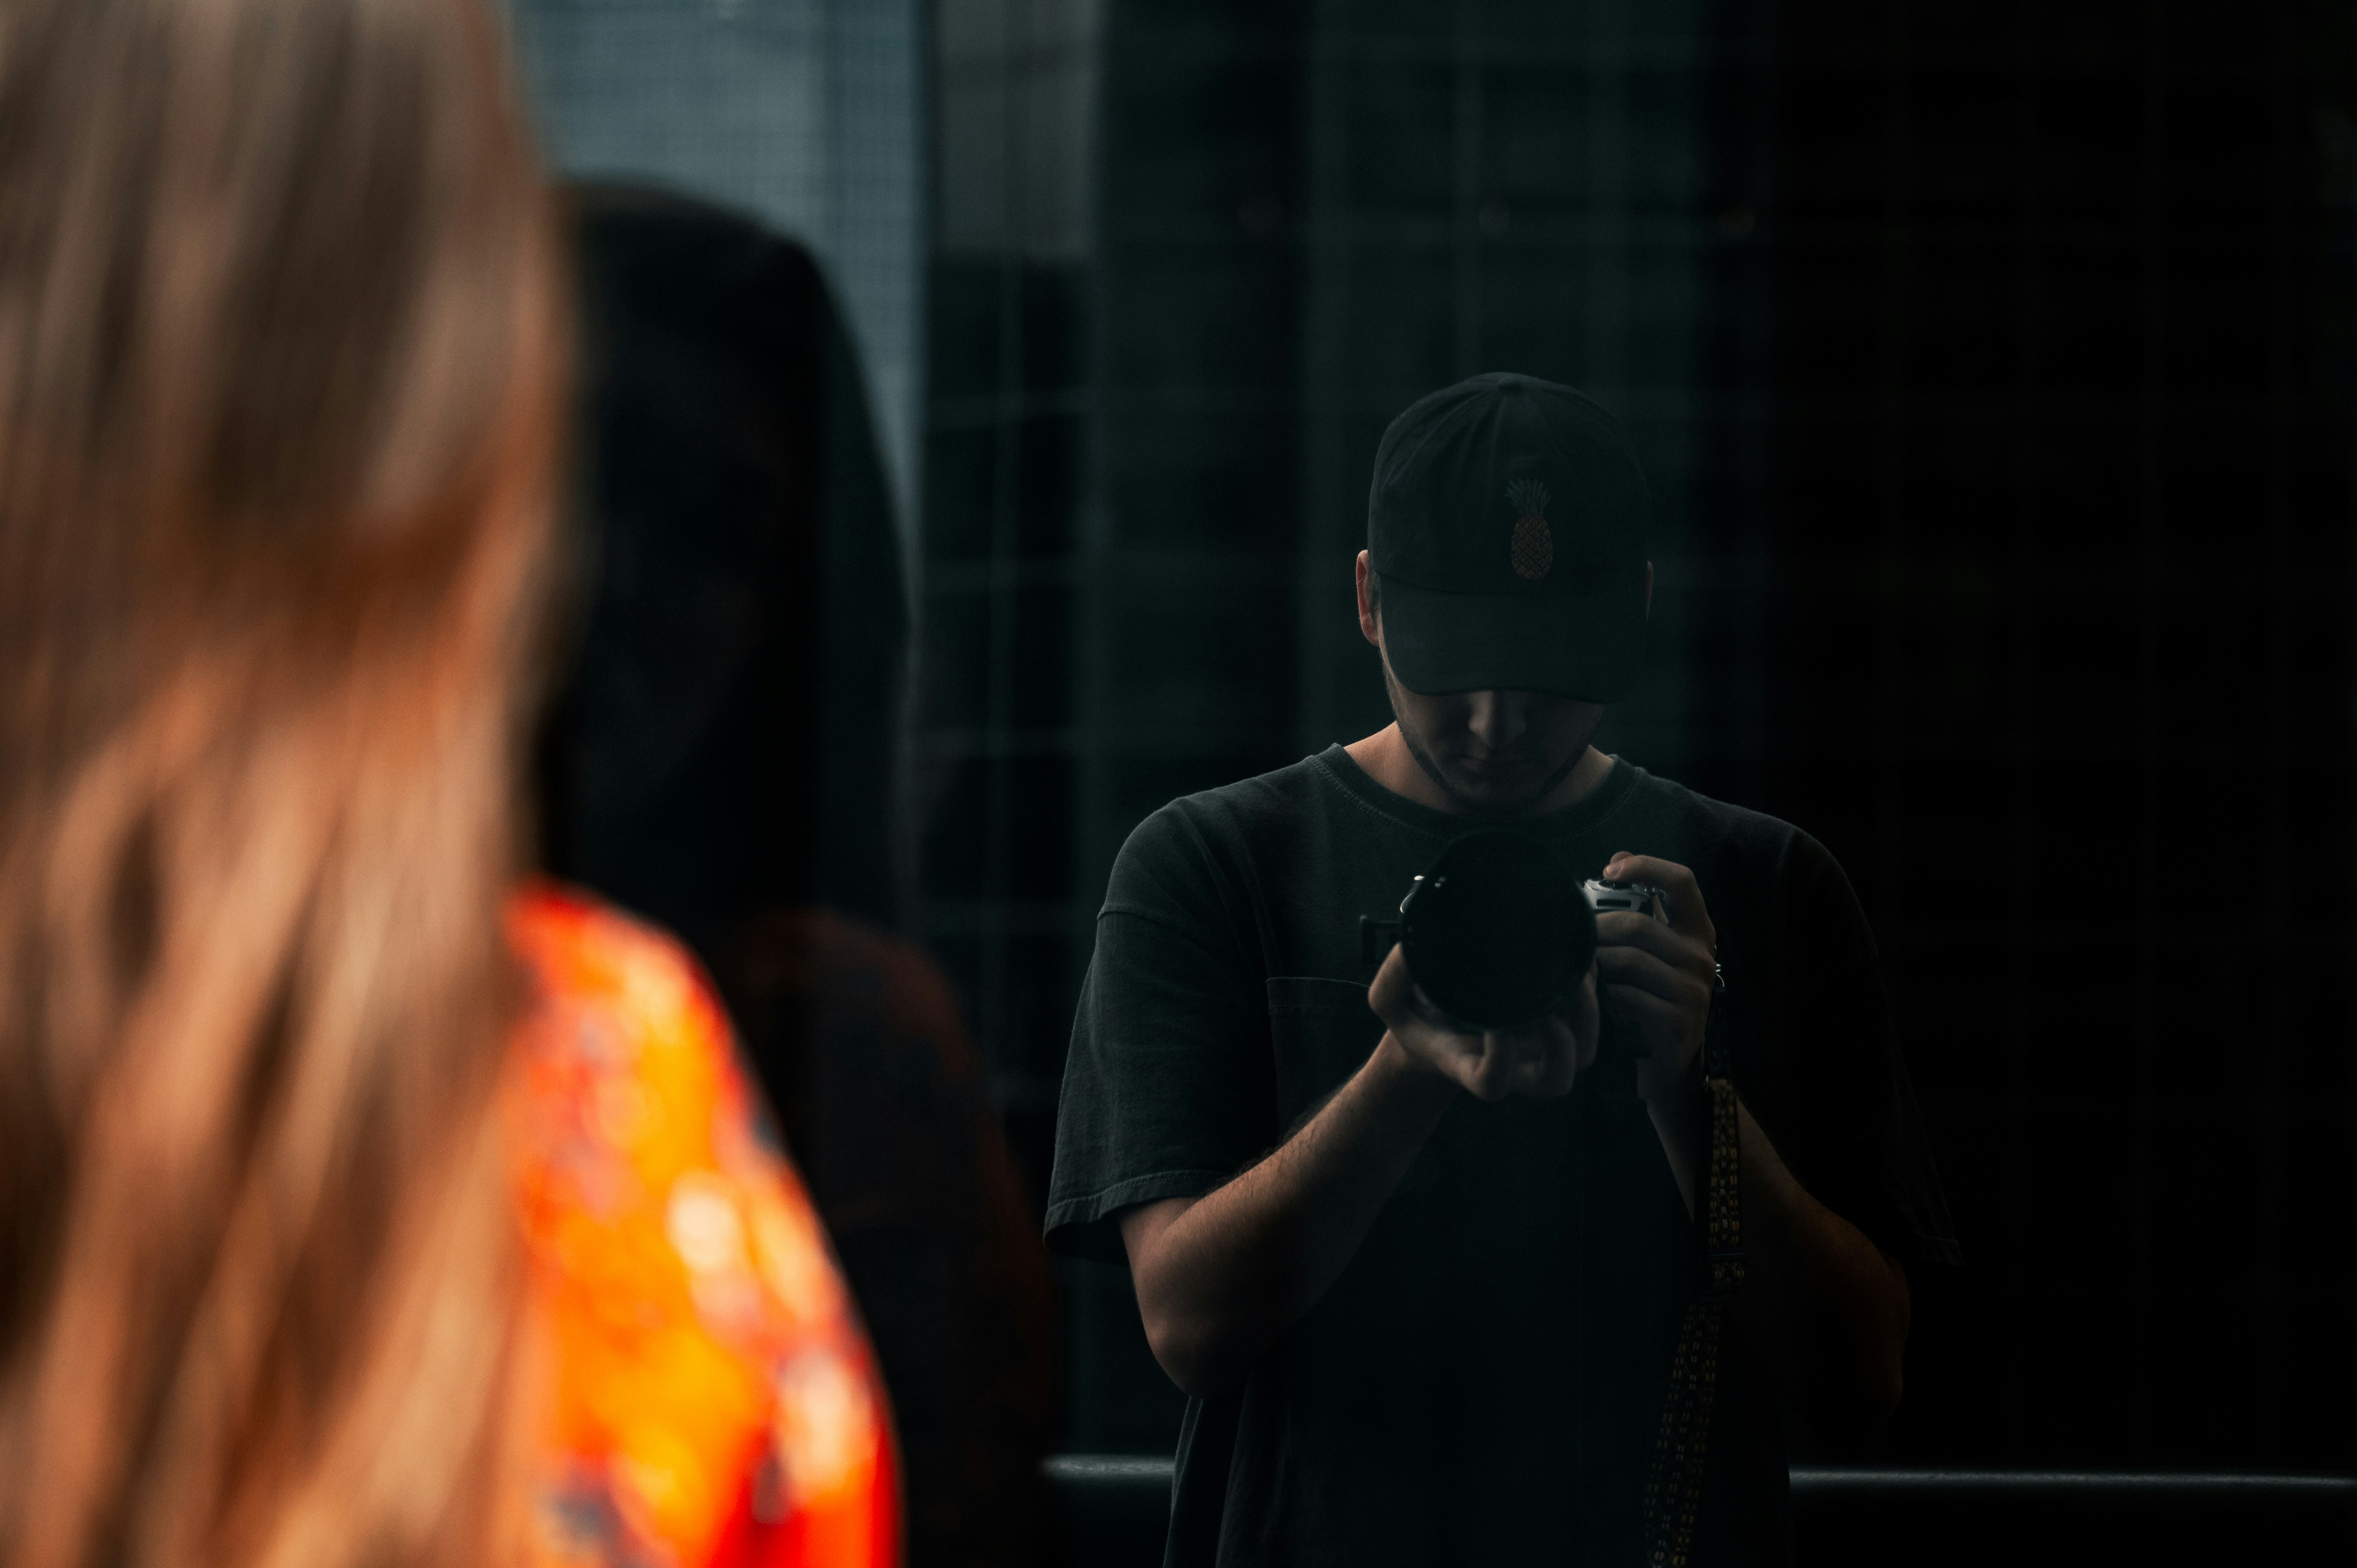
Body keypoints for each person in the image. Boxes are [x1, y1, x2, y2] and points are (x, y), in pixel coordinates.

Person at [0, 3, 896, 1566]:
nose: (623, 593)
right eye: (609, 497)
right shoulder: (601, 1114)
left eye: (706, 525)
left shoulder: (739, 1054)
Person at [1046, 374, 1958, 1566]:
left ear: (1633, 610)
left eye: (1546, 669)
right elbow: (1189, 1323)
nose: (1494, 720)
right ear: (1370, 599)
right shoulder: (1216, 866)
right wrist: (1405, 1069)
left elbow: (1858, 1378)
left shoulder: (1762, 887)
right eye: (1456, 663)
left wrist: (1691, 1087)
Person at [538, 183, 1055, 1568]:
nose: (620, 585)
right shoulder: (246, 977)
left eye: (706, 518)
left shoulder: (849, 1044)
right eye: (572, 496)